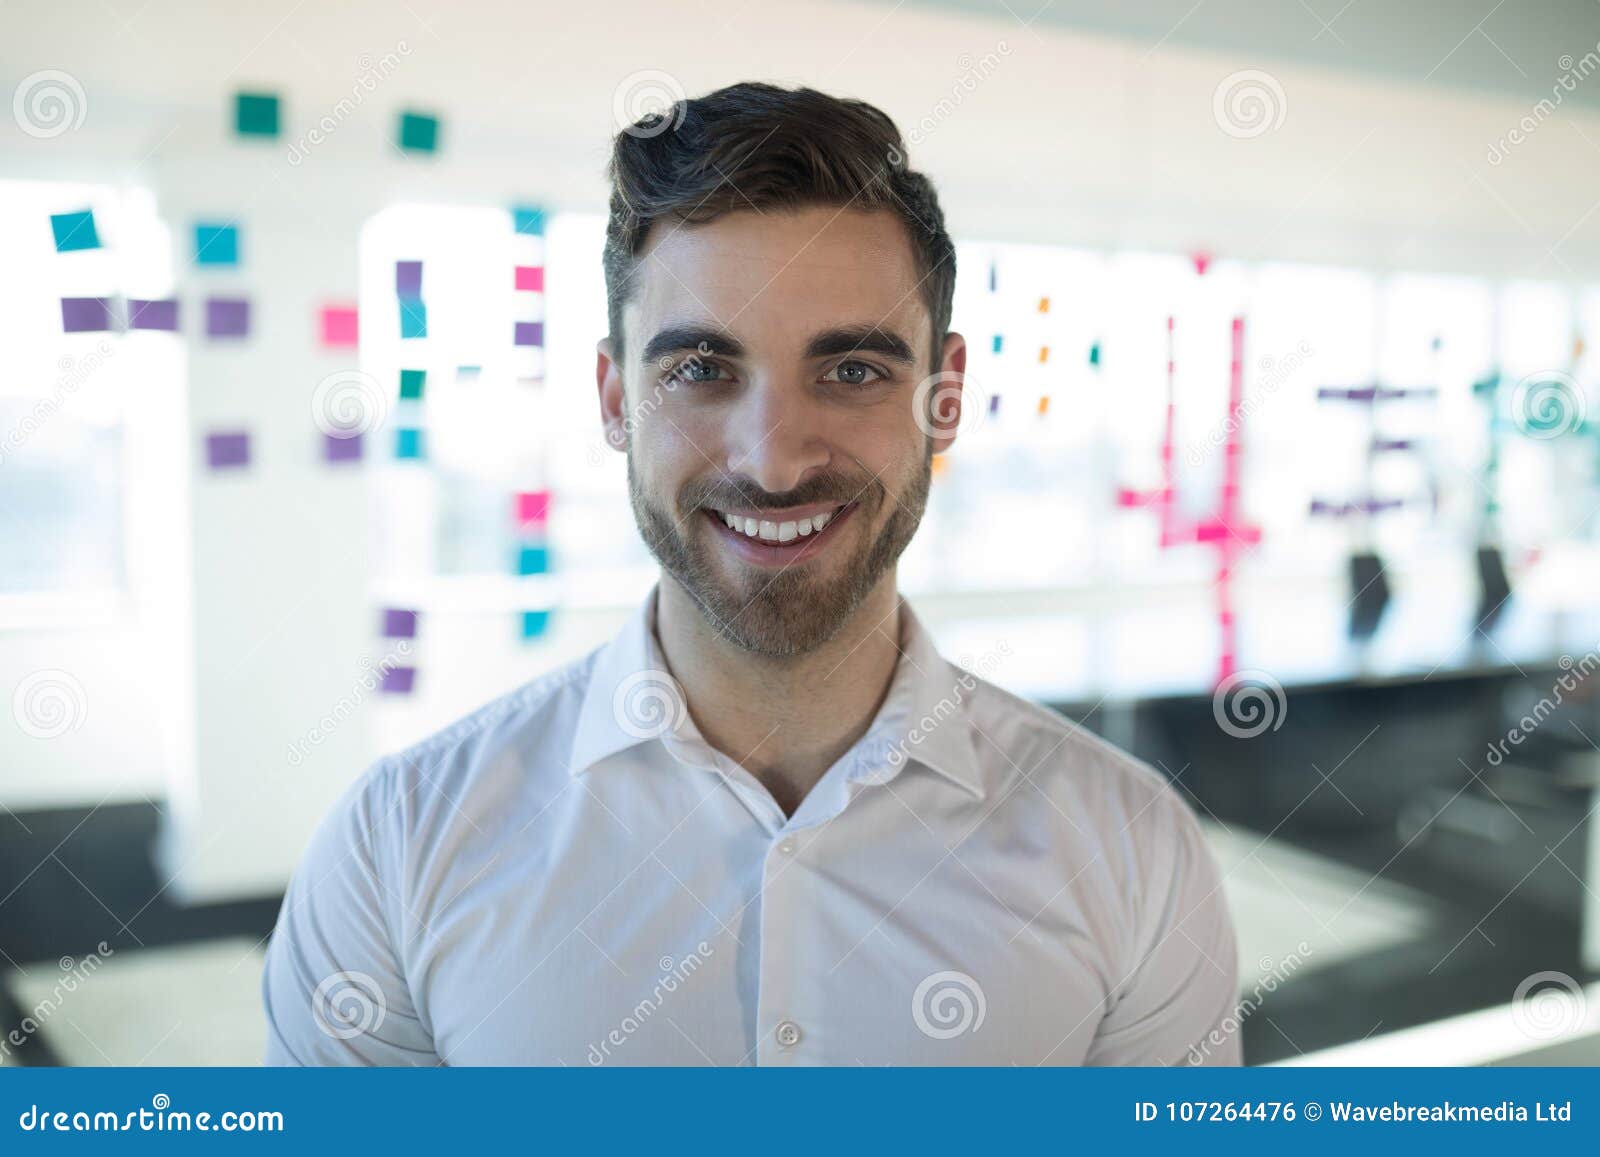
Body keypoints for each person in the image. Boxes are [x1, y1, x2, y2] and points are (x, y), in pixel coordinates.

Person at [262, 82, 1240, 1066]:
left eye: (851, 369)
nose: (772, 463)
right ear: (615, 399)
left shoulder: (1131, 846)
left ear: (942, 398)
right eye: (699, 369)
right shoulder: (397, 846)